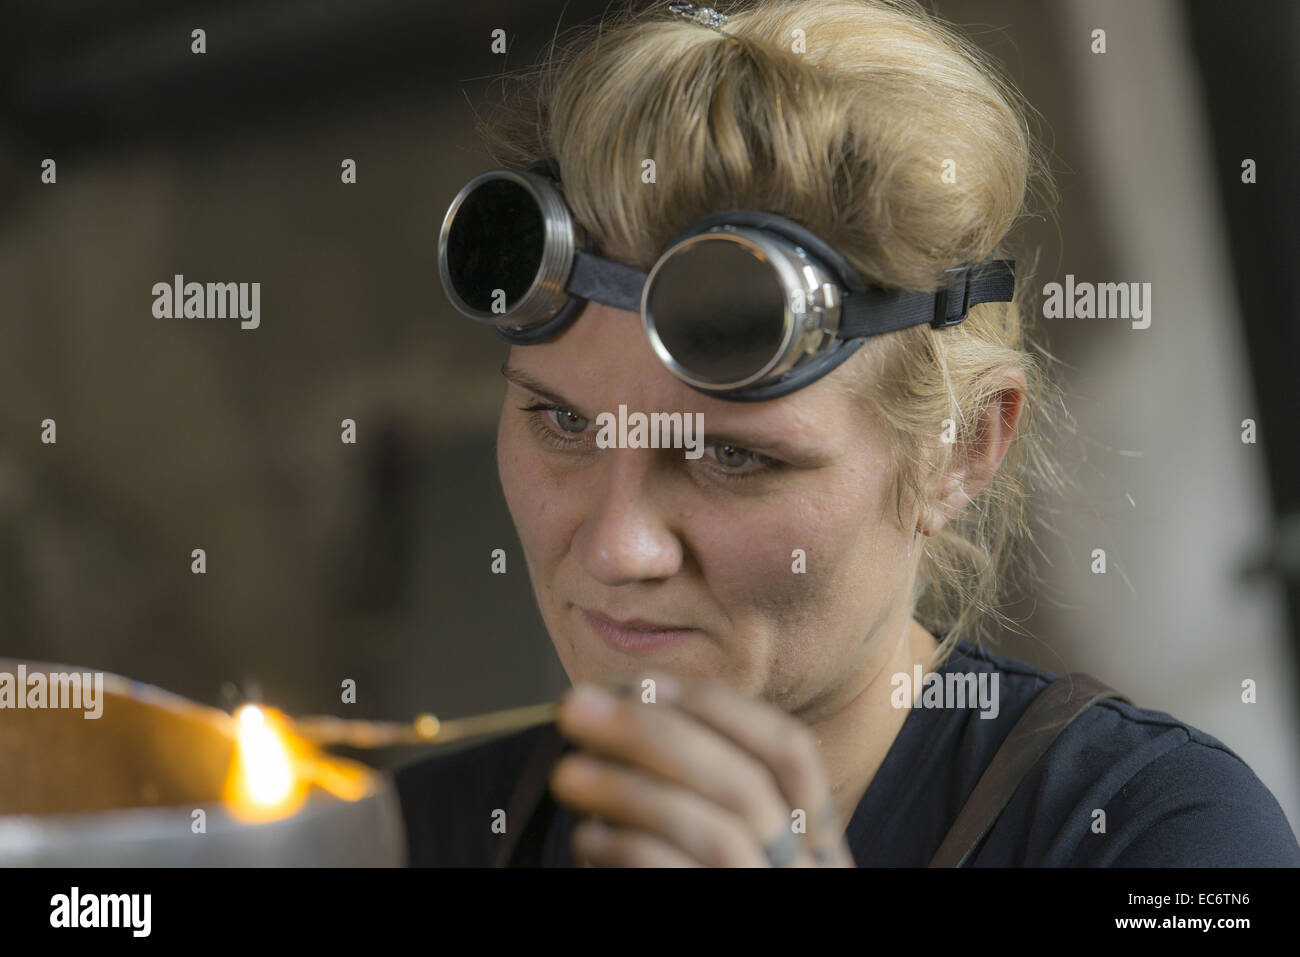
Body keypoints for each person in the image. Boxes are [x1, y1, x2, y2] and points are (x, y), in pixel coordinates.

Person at [395, 0, 1300, 866]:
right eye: (563, 421)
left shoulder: (1164, 837)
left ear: (962, 448)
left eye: (732, 454)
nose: (618, 546)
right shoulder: (419, 837)